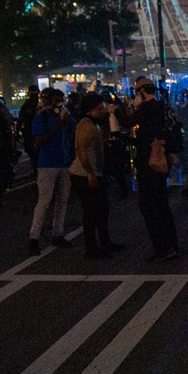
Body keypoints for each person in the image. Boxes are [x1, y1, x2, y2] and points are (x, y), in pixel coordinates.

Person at [130, 77, 183, 262]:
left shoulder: (146, 108)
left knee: (148, 206)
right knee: (162, 203)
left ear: (142, 91)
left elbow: (128, 123)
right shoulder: (163, 107)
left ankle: (162, 248)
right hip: (162, 158)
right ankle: (172, 244)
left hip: (149, 161)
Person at [70, 92, 123, 258]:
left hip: (95, 172)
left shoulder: (96, 123)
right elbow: (80, 149)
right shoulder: (85, 125)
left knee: (102, 210)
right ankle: (91, 248)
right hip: (84, 174)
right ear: (91, 110)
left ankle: (105, 243)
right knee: (91, 212)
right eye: (100, 108)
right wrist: (90, 173)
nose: (102, 111)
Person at [27, 87, 75, 253]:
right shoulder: (42, 117)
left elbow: (74, 130)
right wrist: (57, 126)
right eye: (56, 100)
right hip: (47, 164)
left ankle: (58, 233)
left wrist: (66, 118)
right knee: (44, 201)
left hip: (64, 162)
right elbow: (40, 140)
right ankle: (34, 237)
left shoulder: (65, 116)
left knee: (63, 200)